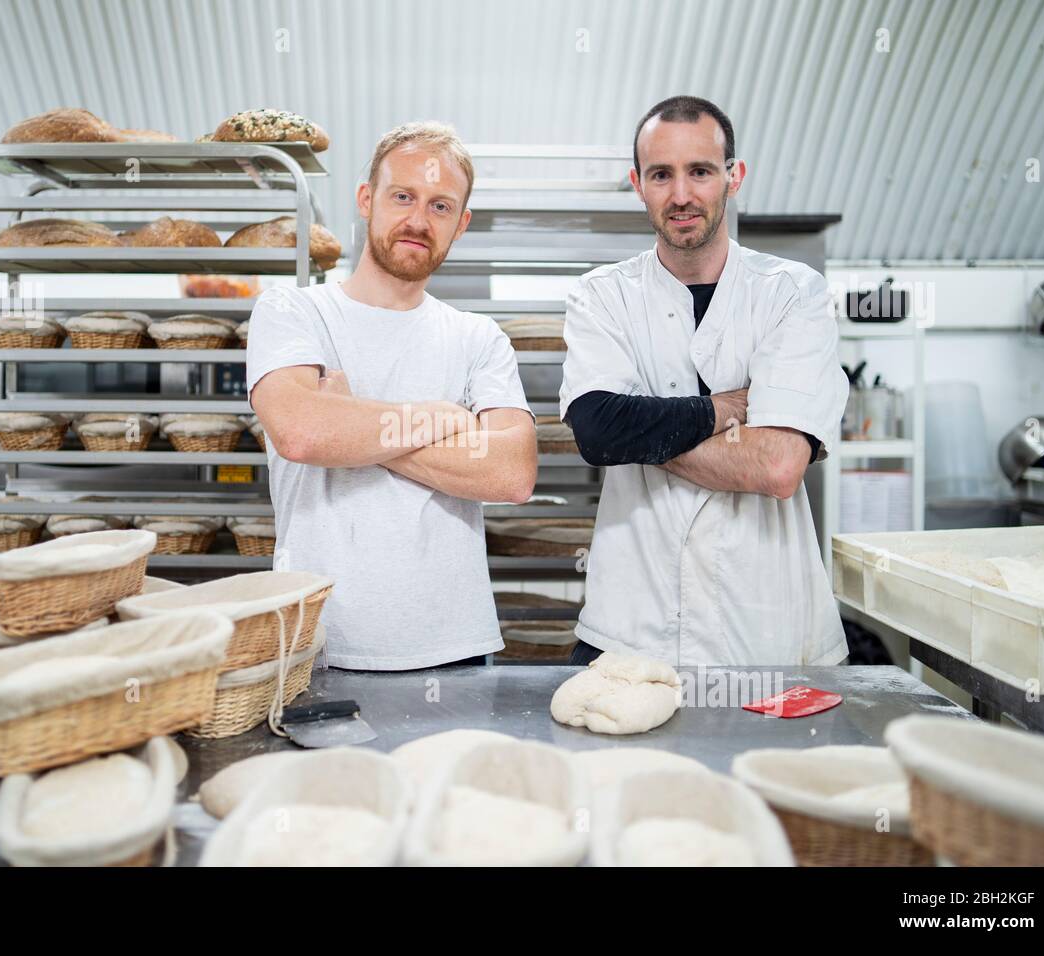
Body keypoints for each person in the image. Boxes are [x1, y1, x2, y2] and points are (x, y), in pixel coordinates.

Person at [560, 95, 849, 667]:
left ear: (733, 177)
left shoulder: (792, 293)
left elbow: (777, 466)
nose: (682, 194)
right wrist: (725, 410)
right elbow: (597, 434)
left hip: (768, 630)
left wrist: (641, 432)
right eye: (661, 174)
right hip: (629, 629)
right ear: (638, 184)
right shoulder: (601, 296)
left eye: (701, 172)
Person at [246, 121, 537, 670]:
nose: (418, 220)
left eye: (441, 206)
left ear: (461, 223)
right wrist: (446, 418)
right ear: (366, 199)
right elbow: (303, 434)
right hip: (319, 645)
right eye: (402, 196)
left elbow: (512, 473)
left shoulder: (478, 337)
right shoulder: (293, 312)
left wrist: (352, 421)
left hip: (456, 649)